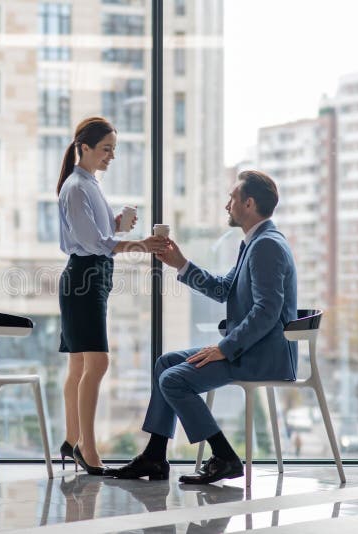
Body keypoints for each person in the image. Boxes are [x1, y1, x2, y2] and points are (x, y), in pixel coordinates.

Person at [110, 170, 298, 484]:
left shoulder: (267, 246)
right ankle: (155, 457)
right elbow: (225, 289)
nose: (228, 206)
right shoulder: (254, 243)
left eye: (232, 199)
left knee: (173, 380)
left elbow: (267, 311)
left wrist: (224, 349)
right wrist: (181, 264)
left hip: (260, 356)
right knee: (165, 363)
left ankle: (225, 456)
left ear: (249, 203)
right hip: (250, 350)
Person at [56, 117, 168, 475]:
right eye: (106, 149)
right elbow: (93, 243)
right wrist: (141, 244)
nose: (111, 156)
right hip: (84, 277)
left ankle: (71, 440)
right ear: (84, 147)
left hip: (90, 276)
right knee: (97, 364)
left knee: (79, 366)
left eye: (114, 150)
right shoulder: (77, 187)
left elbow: (97, 235)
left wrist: (117, 223)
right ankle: (87, 449)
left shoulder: (88, 184)